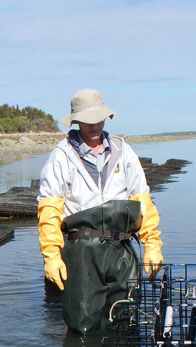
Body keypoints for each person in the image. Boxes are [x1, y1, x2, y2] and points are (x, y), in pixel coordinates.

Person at [37, 88, 163, 334]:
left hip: (121, 247)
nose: (94, 125)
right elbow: (49, 210)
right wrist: (51, 256)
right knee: (83, 325)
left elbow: (142, 199)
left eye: (98, 118)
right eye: (88, 120)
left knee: (125, 321)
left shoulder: (123, 151)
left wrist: (152, 243)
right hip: (82, 251)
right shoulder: (61, 156)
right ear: (76, 121)